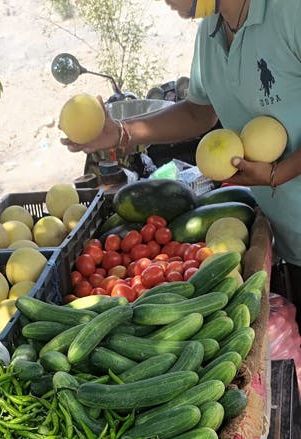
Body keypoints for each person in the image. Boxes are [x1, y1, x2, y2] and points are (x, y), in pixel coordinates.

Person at [61, 0, 301, 306]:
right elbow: (198, 114)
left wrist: (279, 173)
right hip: (288, 231)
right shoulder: (210, 34)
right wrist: (120, 132)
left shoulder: (290, 12)